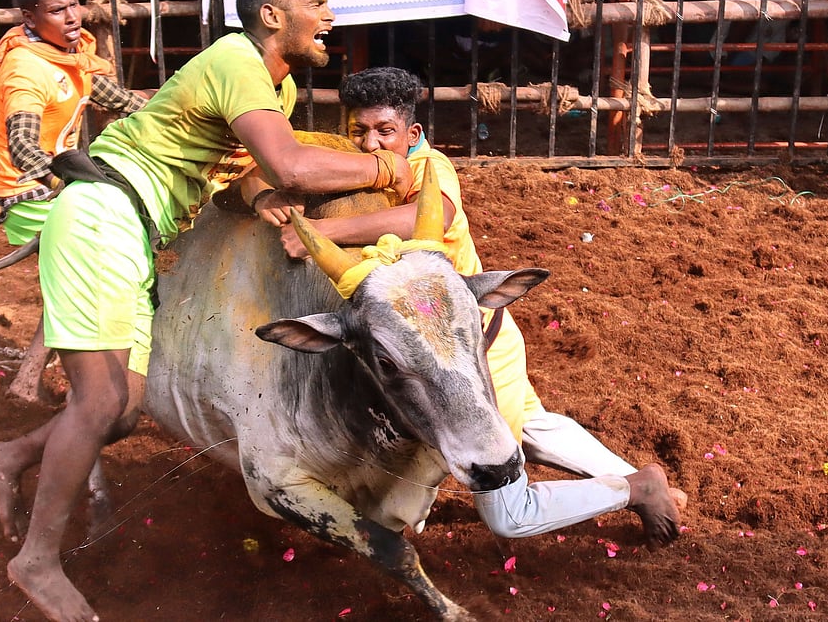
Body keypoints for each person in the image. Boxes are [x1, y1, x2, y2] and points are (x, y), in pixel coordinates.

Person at [0, 0, 413, 621]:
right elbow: (293, 165)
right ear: (273, 16)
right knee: (98, 404)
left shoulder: (281, 92)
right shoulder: (235, 62)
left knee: (125, 409)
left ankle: (12, 454)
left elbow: (247, 183)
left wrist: (262, 194)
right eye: (316, 3)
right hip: (102, 210)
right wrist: (386, 169)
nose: (330, 14)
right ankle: (36, 559)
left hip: (136, 228)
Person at [243, 66, 686, 548]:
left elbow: (427, 218)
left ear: (411, 133)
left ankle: (635, 488)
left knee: (508, 515)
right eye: (359, 131)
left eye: (384, 132)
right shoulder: (347, 159)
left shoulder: (433, 167)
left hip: (469, 350)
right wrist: (263, 192)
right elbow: (253, 168)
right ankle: (645, 481)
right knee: (531, 424)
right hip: (425, 347)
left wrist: (318, 233)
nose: (370, 145)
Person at [0, 0, 147, 402]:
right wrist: (67, 189)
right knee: (94, 263)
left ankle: (27, 378)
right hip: (21, 193)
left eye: (74, 6)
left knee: (73, 275)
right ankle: (86, 391)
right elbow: (24, 149)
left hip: (55, 185)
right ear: (29, 16)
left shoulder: (70, 54)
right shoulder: (26, 70)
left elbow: (114, 97)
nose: (72, 18)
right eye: (57, 11)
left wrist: (169, 113)